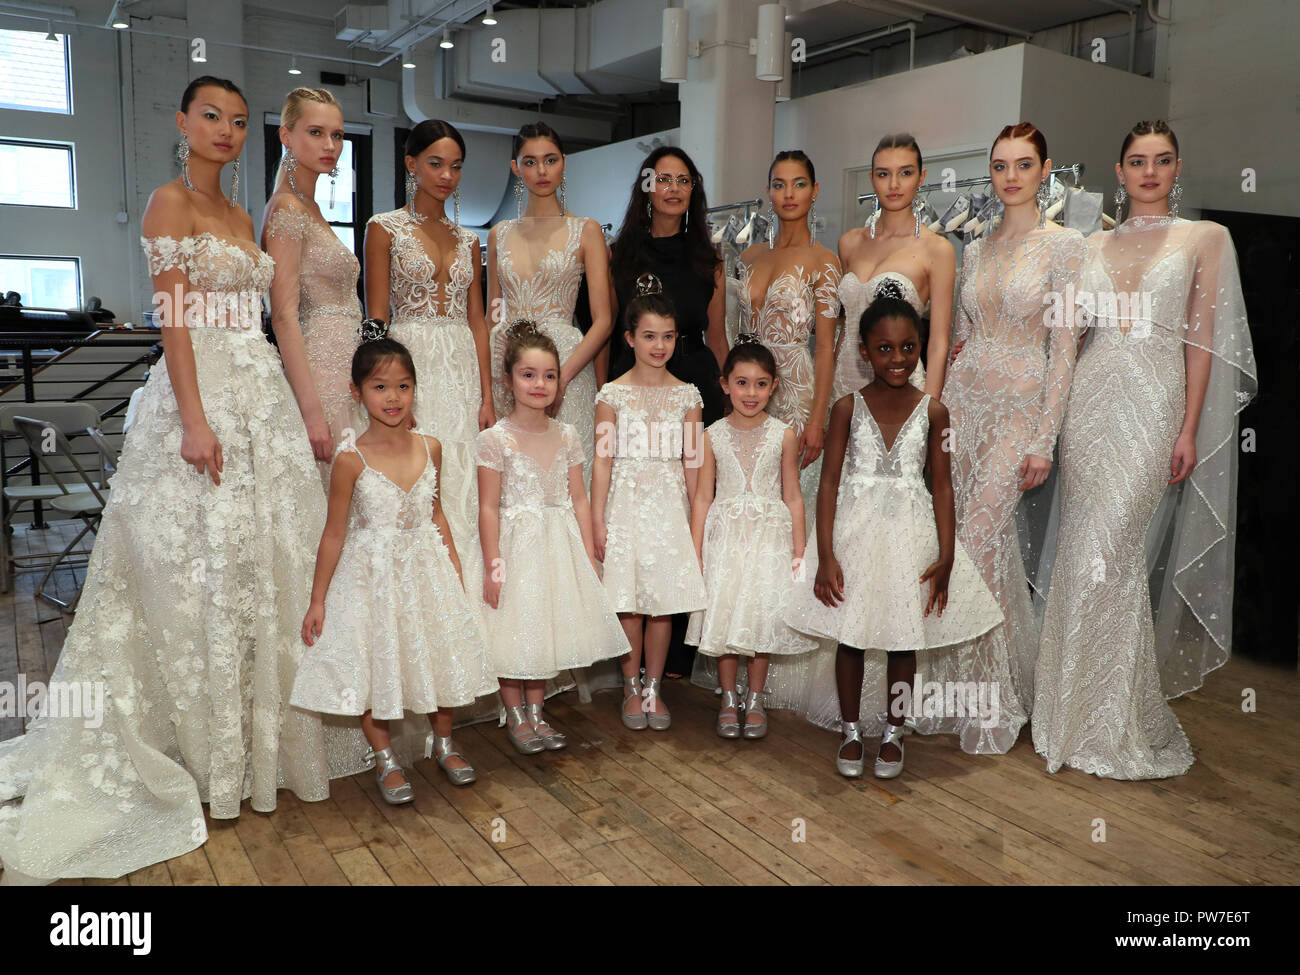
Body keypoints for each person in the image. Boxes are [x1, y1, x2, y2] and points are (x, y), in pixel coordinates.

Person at [0, 77, 369, 884]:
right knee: (193, 571)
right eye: (211, 117)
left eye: (237, 120)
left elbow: (269, 316)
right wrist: (194, 421)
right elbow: (173, 322)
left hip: (258, 393)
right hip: (196, 392)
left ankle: (256, 742)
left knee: (258, 566)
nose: (225, 131)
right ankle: (199, 747)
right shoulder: (168, 204)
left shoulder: (240, 214)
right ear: (182, 122)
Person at [1031, 120, 1258, 779]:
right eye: (1137, 161)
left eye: (1161, 160)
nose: (1149, 171)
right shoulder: (1089, 243)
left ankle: (1109, 719)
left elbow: (1201, 343)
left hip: (1155, 403)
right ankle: (1070, 711)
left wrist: (1189, 428)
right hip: (1089, 405)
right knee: (1083, 547)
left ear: (1177, 168)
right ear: (1120, 170)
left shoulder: (1205, 238)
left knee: (1113, 550)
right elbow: (1067, 339)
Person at [914, 122, 1087, 754]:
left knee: (979, 541)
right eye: (1000, 165)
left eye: (1023, 164)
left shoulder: (1067, 248)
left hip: (1019, 410)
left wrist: (1045, 438)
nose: (1011, 176)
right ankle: (969, 686)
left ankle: (989, 700)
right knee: (961, 543)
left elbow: (1064, 350)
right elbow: (961, 334)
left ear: (1045, 170)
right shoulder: (977, 248)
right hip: (965, 406)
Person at [785, 297, 1000, 778]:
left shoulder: (935, 412)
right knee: (851, 636)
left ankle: (893, 732)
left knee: (904, 640)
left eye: (908, 347)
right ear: (864, 351)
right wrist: (825, 554)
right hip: (856, 538)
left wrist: (947, 555)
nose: (898, 358)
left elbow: (942, 486)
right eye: (884, 348)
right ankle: (850, 731)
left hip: (910, 536)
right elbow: (828, 483)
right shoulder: (846, 408)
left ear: (920, 347)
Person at [293, 335, 494, 795]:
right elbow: (334, 533)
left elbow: (437, 513)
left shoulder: (431, 447)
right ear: (357, 392)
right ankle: (384, 758)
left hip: (426, 570)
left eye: (403, 386)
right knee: (376, 661)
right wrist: (318, 600)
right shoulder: (351, 460)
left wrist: (454, 568)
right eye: (380, 387)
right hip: (373, 578)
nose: (393, 397)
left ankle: (445, 743)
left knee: (439, 654)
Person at [477, 323, 630, 754]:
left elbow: (579, 498)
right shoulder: (494, 439)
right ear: (508, 380)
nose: (539, 384)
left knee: (544, 627)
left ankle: (537, 711)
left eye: (549, 376)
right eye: (528, 375)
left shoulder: (567, 435)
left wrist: (589, 554)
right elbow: (488, 507)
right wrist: (493, 564)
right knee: (512, 629)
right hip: (514, 549)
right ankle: (515, 713)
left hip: (557, 548)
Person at [364, 119, 493, 623]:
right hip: (411, 358)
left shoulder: (470, 240)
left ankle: (471, 615)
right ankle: (421, 614)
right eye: (435, 164)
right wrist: (387, 390)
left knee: (463, 478)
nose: (446, 176)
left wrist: (488, 395)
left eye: (455, 167)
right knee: (419, 475)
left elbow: (478, 320)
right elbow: (376, 316)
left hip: (461, 365)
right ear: (411, 164)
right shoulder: (383, 228)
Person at [687, 336, 816, 739]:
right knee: (726, 617)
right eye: (742, 383)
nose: (751, 393)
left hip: (769, 541)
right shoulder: (711, 435)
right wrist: (695, 550)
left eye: (761, 384)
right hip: (725, 540)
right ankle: (729, 698)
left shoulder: (784, 434)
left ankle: (755, 698)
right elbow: (703, 496)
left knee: (761, 618)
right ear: (725, 385)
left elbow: (793, 496)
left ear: (773, 386)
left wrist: (799, 551)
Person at [591, 286, 705, 732]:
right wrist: (597, 519)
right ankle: (630, 685)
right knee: (629, 604)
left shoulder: (688, 397)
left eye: (668, 336)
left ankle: (654, 686)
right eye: (650, 336)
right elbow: (602, 462)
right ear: (630, 338)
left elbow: (693, 465)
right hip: (624, 506)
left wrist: (696, 525)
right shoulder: (611, 395)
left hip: (669, 508)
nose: (659, 346)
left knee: (662, 604)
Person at [487, 122, 612, 485]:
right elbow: (493, 314)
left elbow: (604, 320)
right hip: (510, 366)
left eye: (550, 160)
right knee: (514, 479)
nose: (541, 170)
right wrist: (493, 382)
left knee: (567, 477)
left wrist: (562, 376)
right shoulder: (498, 234)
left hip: (568, 364)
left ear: (563, 163)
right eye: (530, 162)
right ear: (516, 168)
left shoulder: (586, 230)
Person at [263, 87, 364, 491]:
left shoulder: (312, 207)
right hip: (321, 374)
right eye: (316, 132)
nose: (330, 145)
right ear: (286, 136)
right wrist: (310, 412)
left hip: (348, 367)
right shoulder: (287, 207)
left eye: (337, 135)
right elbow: (283, 314)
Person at [831, 133, 955, 402]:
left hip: (901, 389)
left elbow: (938, 343)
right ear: (872, 178)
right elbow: (846, 327)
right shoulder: (849, 243)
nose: (894, 184)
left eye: (905, 173)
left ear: (921, 178)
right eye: (883, 174)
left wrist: (928, 409)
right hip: (844, 386)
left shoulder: (937, 249)